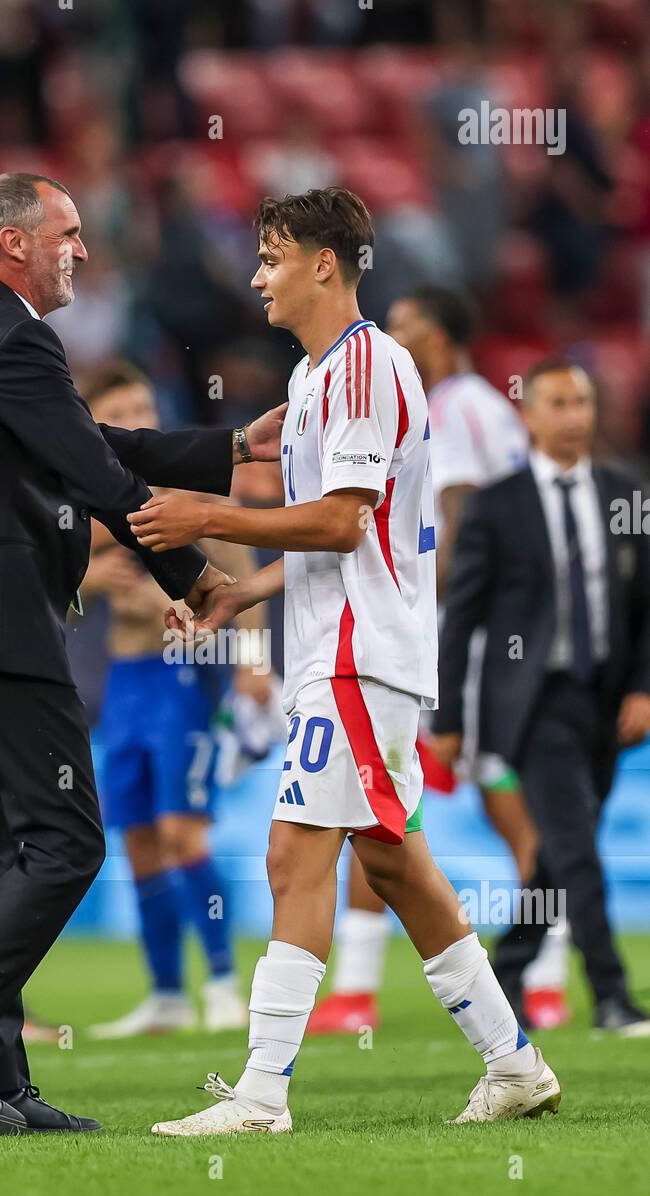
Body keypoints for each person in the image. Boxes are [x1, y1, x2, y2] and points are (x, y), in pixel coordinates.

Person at [127, 187, 560, 1134]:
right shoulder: (320, 377)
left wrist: (206, 514)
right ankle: (515, 1064)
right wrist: (247, 588)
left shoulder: (365, 366)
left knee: (293, 855)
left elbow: (342, 517)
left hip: (360, 655)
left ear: (325, 263)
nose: (256, 278)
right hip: (351, 646)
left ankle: (261, 1094)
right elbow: (343, 536)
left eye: (271, 257)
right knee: (396, 862)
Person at [0, 171, 285, 1135]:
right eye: (68, 233)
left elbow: (89, 440)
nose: (83, 251)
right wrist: (195, 580)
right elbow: (96, 473)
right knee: (66, 841)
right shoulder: (17, 337)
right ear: (15, 242)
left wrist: (230, 446)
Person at [307, 285, 564, 1036]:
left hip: (466, 645)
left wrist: (407, 594)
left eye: (409, 323)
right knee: (380, 804)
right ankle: (361, 990)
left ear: (445, 336)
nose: (393, 334)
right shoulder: (467, 403)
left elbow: (463, 526)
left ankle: (540, 977)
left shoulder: (457, 406)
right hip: (453, 639)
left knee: (501, 800)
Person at [433, 358, 650, 1037]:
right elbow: (462, 615)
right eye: (558, 402)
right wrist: (448, 717)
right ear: (528, 415)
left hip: (608, 700)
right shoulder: (499, 503)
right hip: (531, 702)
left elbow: (645, 608)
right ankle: (612, 995)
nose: (574, 415)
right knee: (576, 847)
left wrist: (644, 688)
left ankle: (511, 966)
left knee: (560, 852)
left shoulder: (625, 492)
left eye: (582, 402)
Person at [78, 361, 267, 1038]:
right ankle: (166, 993)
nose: (134, 416)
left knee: (184, 829)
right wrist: (92, 580)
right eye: (117, 408)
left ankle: (220, 979)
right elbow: (71, 578)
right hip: (125, 676)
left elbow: (239, 573)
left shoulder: (189, 488)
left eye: (140, 402)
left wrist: (252, 665)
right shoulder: (95, 497)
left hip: (185, 671)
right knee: (138, 840)